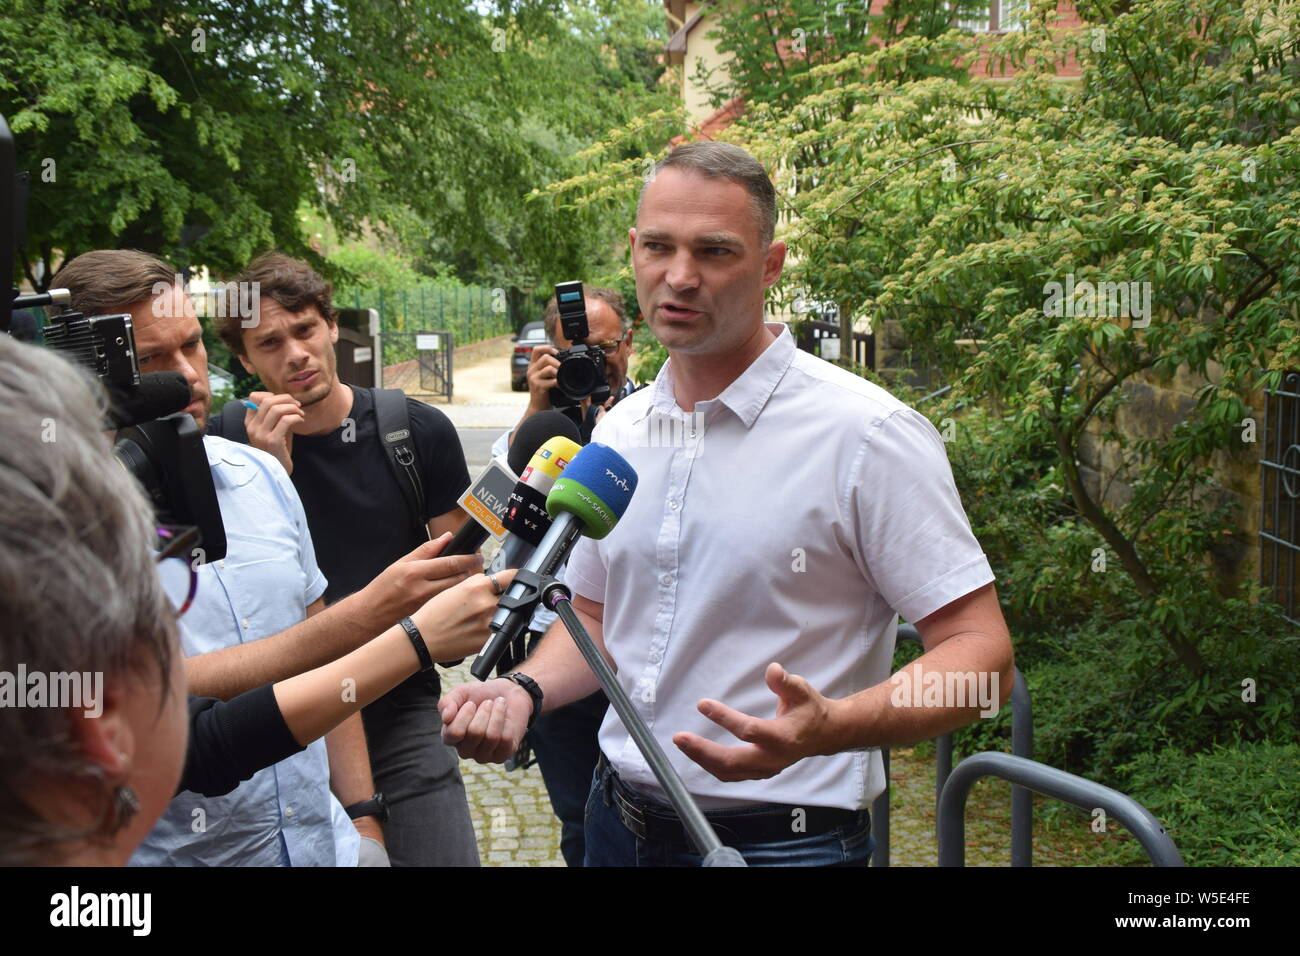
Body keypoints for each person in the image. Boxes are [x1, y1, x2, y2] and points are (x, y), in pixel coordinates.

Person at [441, 141, 1016, 867]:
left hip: (785, 847)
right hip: (615, 822)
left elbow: (982, 656)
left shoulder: (868, 436)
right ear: (634, 250)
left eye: (715, 252)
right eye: (659, 247)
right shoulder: (620, 430)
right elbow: (598, 617)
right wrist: (525, 690)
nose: (679, 277)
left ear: (770, 266)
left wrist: (833, 725)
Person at [0, 333, 514, 865]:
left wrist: (361, 816)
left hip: (322, 840)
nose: (188, 377)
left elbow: (308, 661)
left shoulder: (261, 473)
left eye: (193, 345)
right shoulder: (58, 525)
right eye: (152, 361)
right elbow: (193, 731)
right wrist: (398, 627)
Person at [208, 253, 479, 867]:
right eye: (269, 344)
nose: (295, 354)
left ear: (332, 326)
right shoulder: (224, 449)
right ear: (246, 362)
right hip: (276, 715)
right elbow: (222, 602)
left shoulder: (414, 432)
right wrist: (267, 480)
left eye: (304, 329)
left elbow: (460, 598)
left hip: (396, 703)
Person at [489, 287, 638, 867]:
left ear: (628, 343)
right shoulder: (535, 431)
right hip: (555, 641)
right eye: (574, 350)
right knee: (579, 818)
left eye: (602, 348)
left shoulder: (658, 416)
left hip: (633, 648)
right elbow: (500, 518)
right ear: (547, 353)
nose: (591, 362)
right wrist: (536, 409)